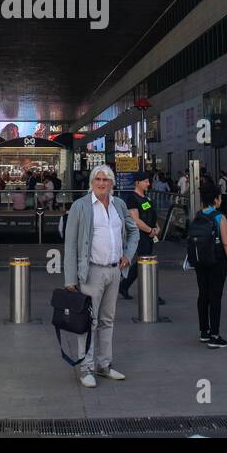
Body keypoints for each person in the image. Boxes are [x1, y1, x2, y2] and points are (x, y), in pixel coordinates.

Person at [62, 163, 139, 387]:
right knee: (88, 321)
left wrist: (128, 255)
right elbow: (71, 245)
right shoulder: (80, 206)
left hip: (114, 271)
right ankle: (86, 368)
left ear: (112, 183)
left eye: (106, 180)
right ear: (92, 183)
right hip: (91, 272)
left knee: (107, 320)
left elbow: (132, 231)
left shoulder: (120, 205)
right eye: (98, 179)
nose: (102, 183)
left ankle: (104, 365)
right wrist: (70, 279)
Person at [190, 177, 227, 349]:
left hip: (200, 260)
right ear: (216, 199)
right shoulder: (220, 217)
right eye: (220, 197)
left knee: (203, 294)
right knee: (215, 296)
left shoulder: (198, 215)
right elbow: (226, 243)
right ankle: (215, 336)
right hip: (217, 261)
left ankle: (204, 332)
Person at [120, 171, 165, 304]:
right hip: (140, 236)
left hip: (149, 235)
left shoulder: (146, 198)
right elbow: (135, 220)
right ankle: (151, 295)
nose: (148, 184)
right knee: (146, 263)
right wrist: (150, 230)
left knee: (142, 262)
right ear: (137, 183)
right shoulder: (132, 199)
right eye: (145, 181)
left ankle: (124, 286)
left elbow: (151, 214)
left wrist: (156, 228)